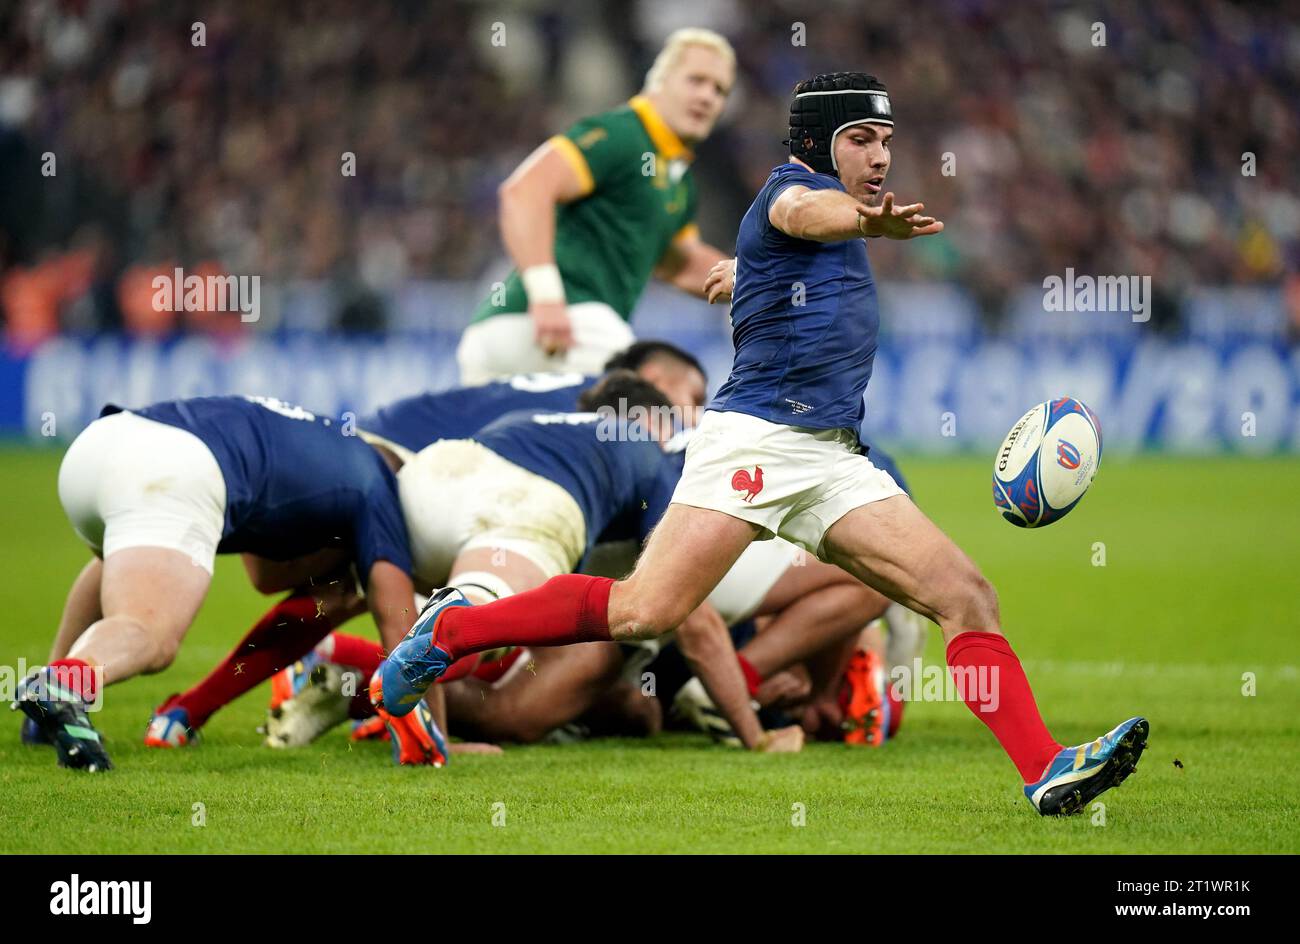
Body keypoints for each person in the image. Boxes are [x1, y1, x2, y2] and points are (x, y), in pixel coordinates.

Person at [380, 72, 1148, 816]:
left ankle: (1045, 770)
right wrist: (862, 222)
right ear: (817, 142)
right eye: (861, 139)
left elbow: (788, 251)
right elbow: (803, 214)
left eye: (886, 140)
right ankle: (450, 633)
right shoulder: (794, 191)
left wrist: (745, 271)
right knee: (645, 610)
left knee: (966, 595)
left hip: (832, 458)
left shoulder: (818, 217)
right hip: (754, 444)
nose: (880, 156)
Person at [16, 395, 420, 771]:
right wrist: (429, 734)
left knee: (116, 561)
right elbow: (404, 632)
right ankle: (62, 684)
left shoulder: (321, 441)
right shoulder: (380, 487)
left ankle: (44, 714)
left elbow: (264, 576)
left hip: (98, 447)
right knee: (149, 633)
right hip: (170, 468)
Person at [456, 28, 734, 382]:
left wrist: (758, 278)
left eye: (719, 90)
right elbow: (524, 191)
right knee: (651, 398)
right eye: (696, 80)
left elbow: (682, 263)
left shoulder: (678, 179)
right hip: (559, 323)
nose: (707, 96)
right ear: (660, 82)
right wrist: (547, 298)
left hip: (513, 335)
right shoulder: (622, 135)